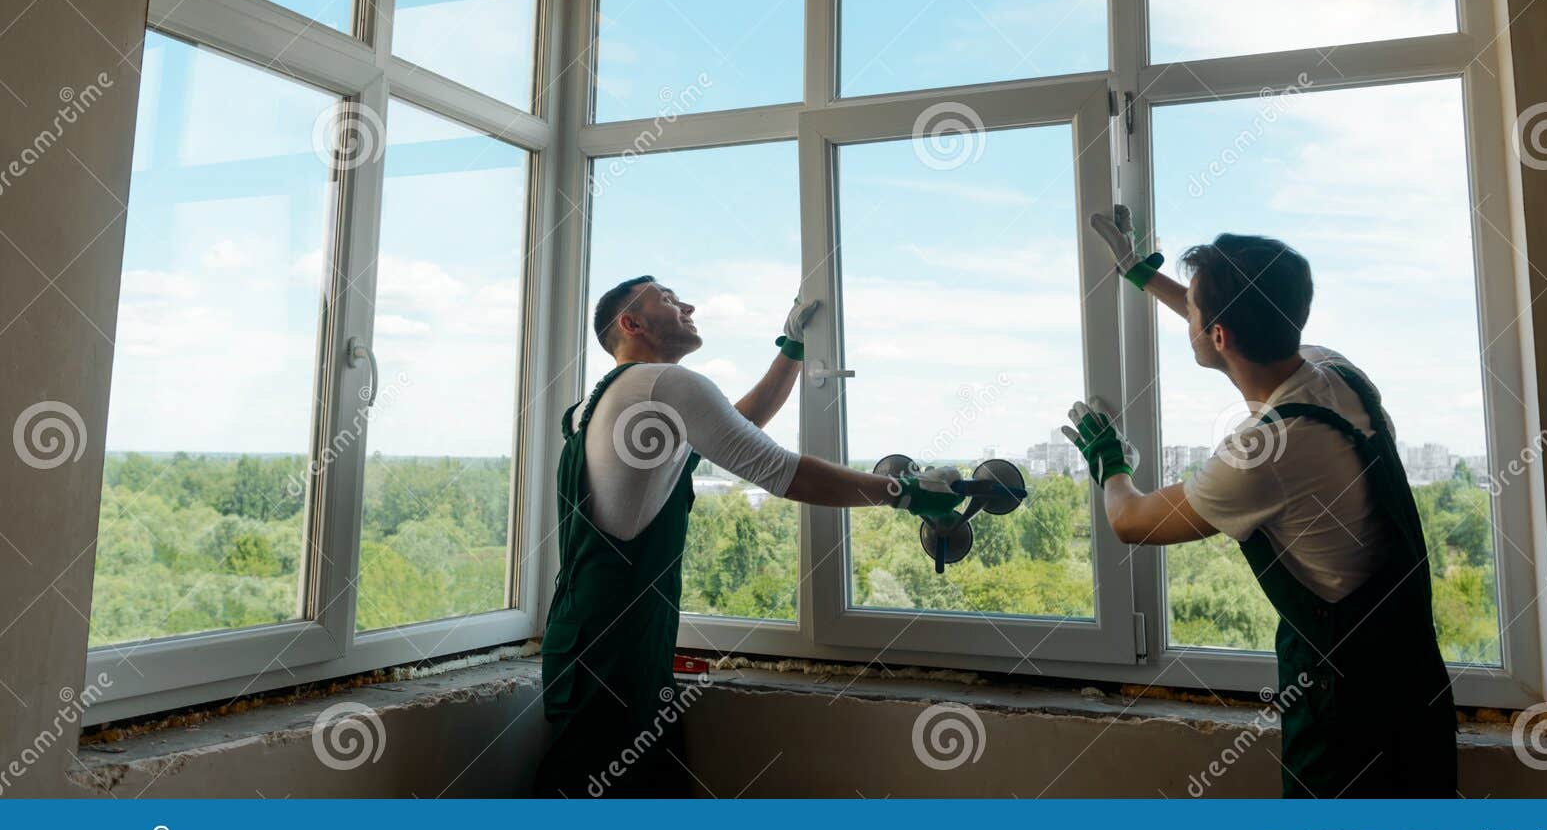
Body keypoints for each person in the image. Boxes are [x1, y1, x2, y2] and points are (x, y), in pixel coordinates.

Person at [1061, 207, 1457, 798]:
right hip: (1416, 694)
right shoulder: (1336, 373)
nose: (1190, 316)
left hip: (1345, 724)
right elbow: (1237, 321)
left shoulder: (1260, 455)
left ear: (1217, 335)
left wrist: (1109, 462)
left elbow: (1130, 521)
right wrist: (1143, 278)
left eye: (1193, 308)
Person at [534, 276, 966, 798]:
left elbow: (734, 431)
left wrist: (792, 351)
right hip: (617, 655)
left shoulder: (596, 407)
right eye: (667, 299)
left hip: (585, 638)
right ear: (632, 323)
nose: (687, 304)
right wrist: (906, 492)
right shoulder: (665, 385)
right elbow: (781, 470)